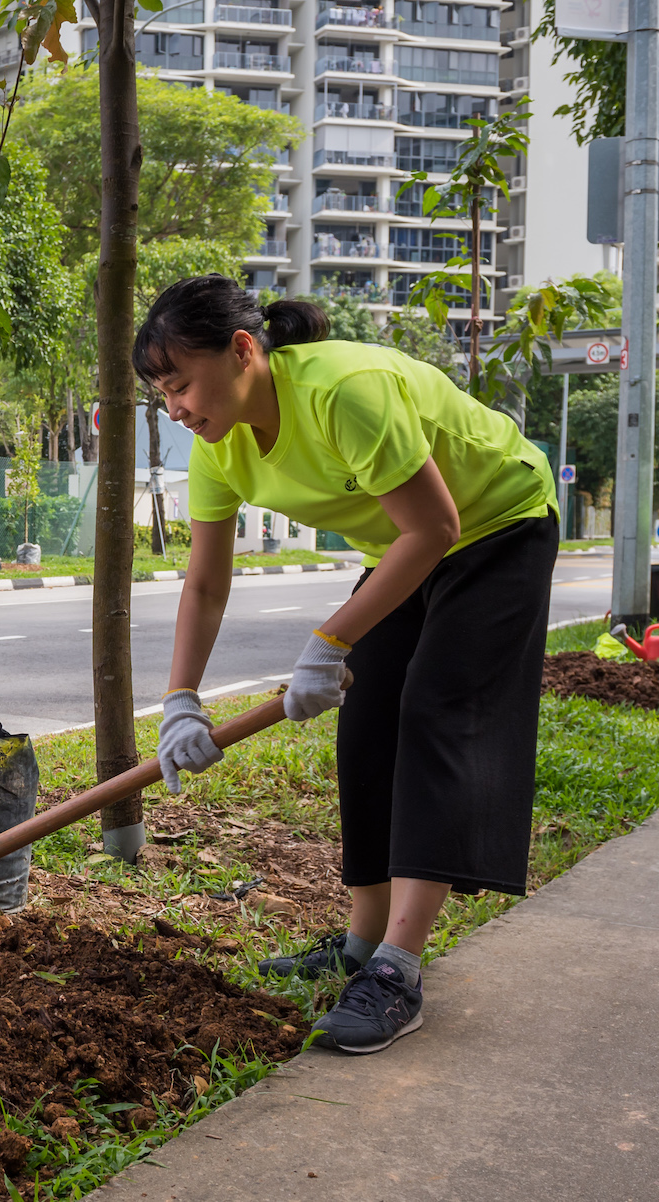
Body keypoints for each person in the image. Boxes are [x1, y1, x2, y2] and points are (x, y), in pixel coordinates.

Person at [136, 275, 558, 1054]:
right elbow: (205, 580)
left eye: (182, 385)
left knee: (436, 712)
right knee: (366, 727)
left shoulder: (343, 391)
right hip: (403, 552)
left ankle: (397, 968)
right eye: (163, 397)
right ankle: (362, 943)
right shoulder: (218, 445)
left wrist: (327, 644)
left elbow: (435, 525)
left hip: (499, 523)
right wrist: (179, 700)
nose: (177, 411)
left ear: (241, 351)